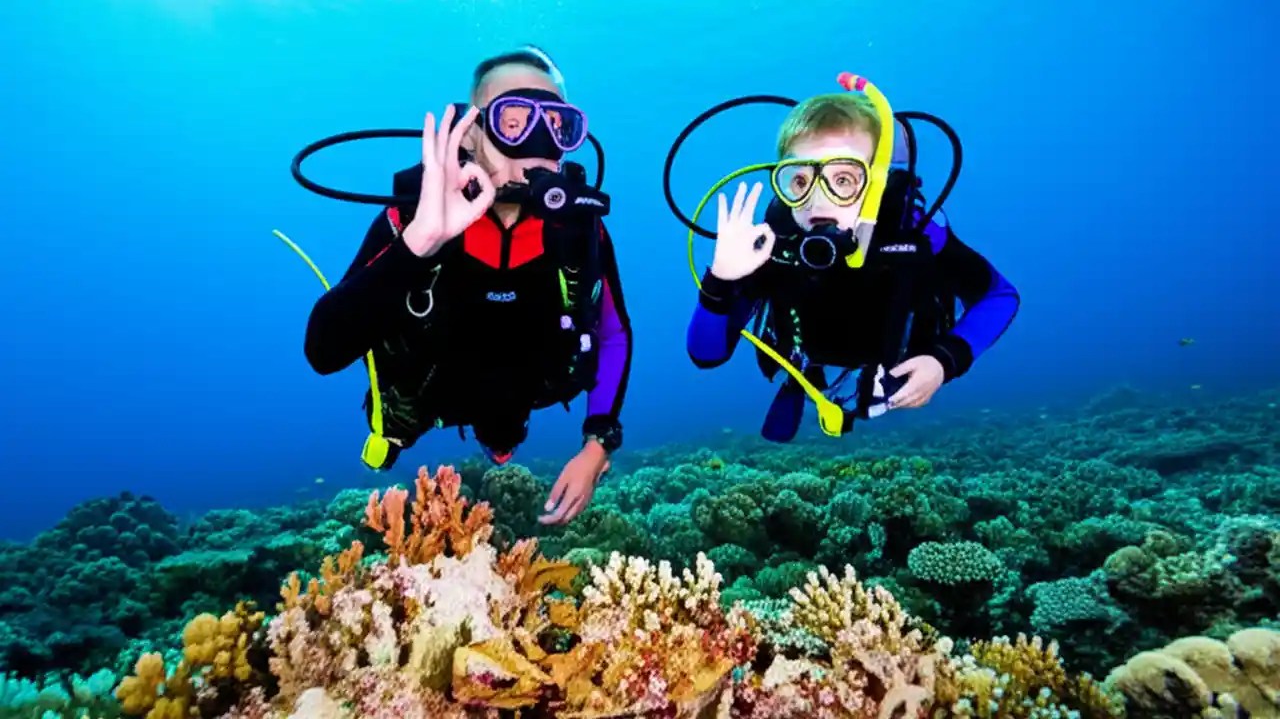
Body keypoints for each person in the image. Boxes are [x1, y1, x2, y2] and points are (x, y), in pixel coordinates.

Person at [302, 46, 632, 525]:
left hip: (528, 385)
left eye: (558, 125)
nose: (540, 144)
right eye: (514, 121)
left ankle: (501, 440)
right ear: (471, 132)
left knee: (504, 430)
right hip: (435, 390)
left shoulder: (579, 231)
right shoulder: (412, 218)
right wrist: (420, 242)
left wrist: (598, 444)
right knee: (410, 420)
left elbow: (614, 333)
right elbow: (323, 352)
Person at [680, 73, 1018, 441]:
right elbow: (706, 354)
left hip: (898, 365)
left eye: (843, 180)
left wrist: (944, 360)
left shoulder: (912, 229)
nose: (817, 199)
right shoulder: (774, 242)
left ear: (876, 182)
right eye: (800, 180)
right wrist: (720, 281)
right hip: (805, 368)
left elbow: (999, 296)